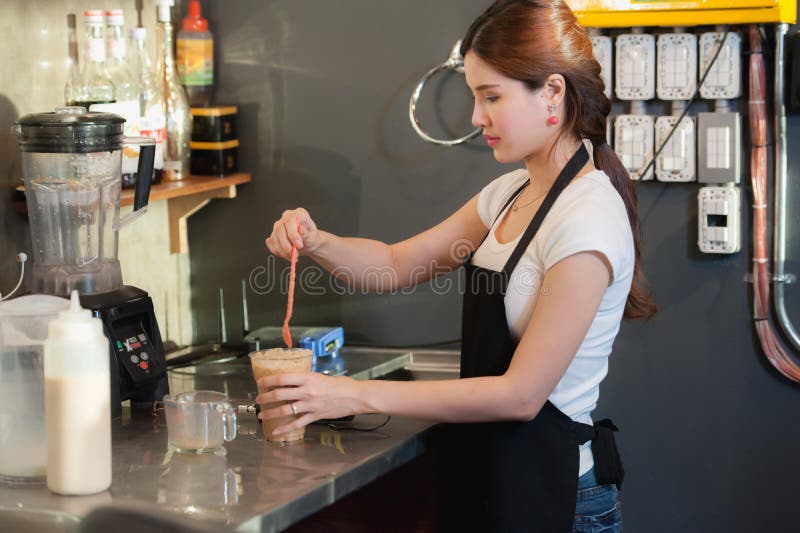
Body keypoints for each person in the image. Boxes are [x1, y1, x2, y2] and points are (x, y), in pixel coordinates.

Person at [262, 0, 656, 530]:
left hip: (561, 499)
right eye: (476, 96)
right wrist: (316, 241)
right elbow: (395, 264)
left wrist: (351, 393)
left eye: (491, 96)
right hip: (495, 480)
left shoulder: (587, 220)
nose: (476, 117)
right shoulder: (510, 194)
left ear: (552, 93)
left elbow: (521, 396)